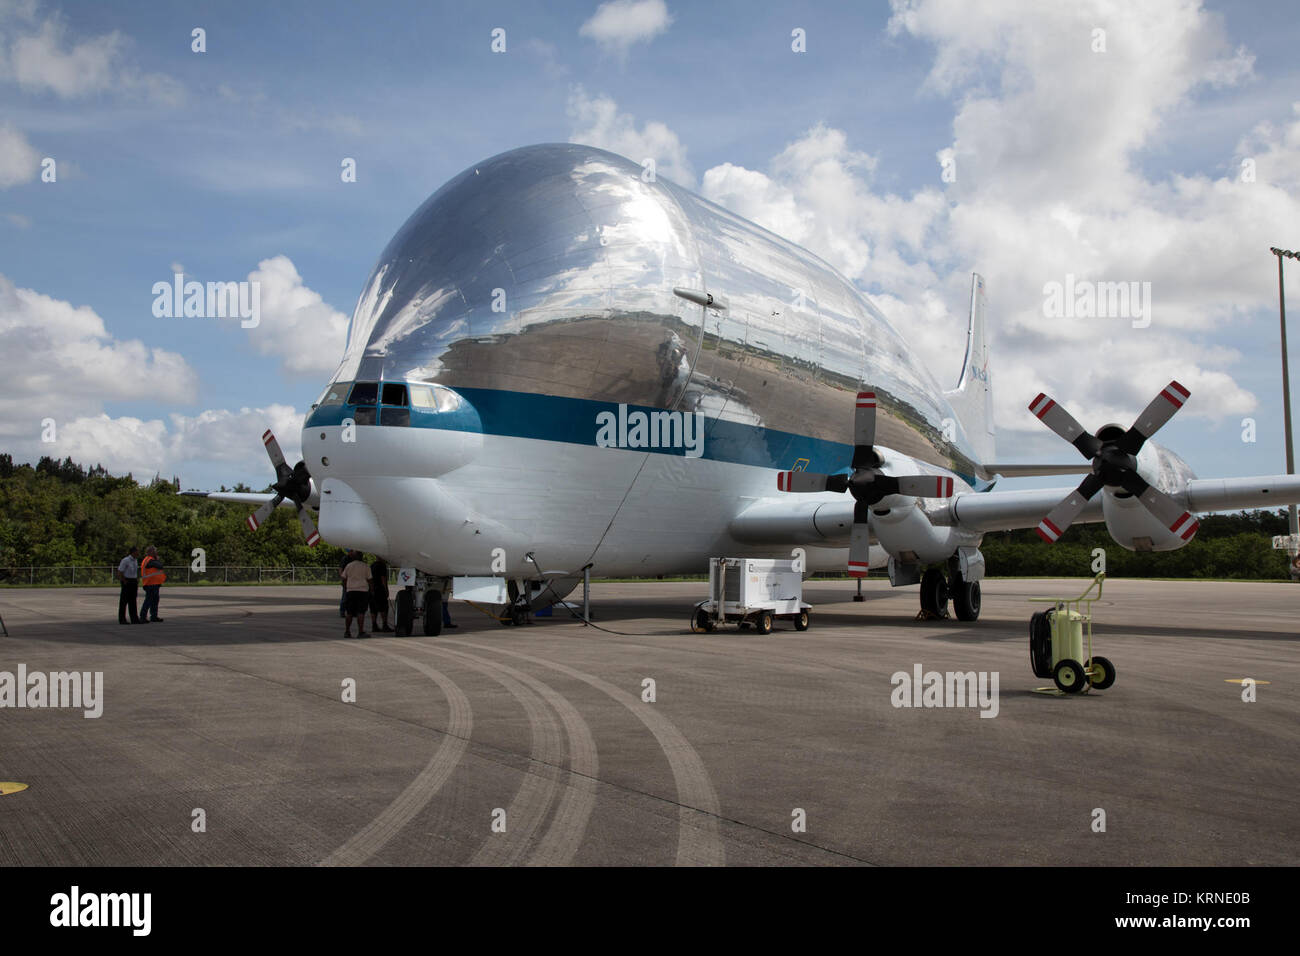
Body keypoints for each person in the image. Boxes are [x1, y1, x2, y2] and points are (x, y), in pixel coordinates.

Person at [340, 550, 372, 638]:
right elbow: (369, 579)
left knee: (349, 612)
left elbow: (343, 577)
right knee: (361, 612)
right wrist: (371, 590)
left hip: (351, 591)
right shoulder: (365, 566)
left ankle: (347, 631)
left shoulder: (349, 566)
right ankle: (360, 632)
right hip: (362, 591)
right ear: (361, 557)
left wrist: (346, 587)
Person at [138, 545, 166, 622]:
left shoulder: (148, 560)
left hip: (153, 584)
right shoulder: (150, 560)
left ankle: (153, 616)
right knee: (149, 600)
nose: (156, 553)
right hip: (151, 584)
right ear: (150, 552)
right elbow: (160, 566)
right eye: (155, 551)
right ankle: (143, 616)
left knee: (154, 600)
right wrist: (157, 559)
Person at [115, 546, 140, 624]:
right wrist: (123, 581)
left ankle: (134, 618)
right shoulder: (125, 560)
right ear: (133, 552)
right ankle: (122, 619)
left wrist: (137, 579)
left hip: (133, 581)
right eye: (137, 551)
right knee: (124, 601)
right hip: (127, 581)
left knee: (133, 601)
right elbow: (120, 571)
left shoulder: (135, 560)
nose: (138, 553)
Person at [369, 556, 393, 633]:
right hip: (380, 589)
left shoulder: (372, 565)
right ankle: (384, 625)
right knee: (383, 607)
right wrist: (386, 589)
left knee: (373, 608)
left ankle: (374, 625)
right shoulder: (382, 565)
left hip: (372, 589)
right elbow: (383, 578)